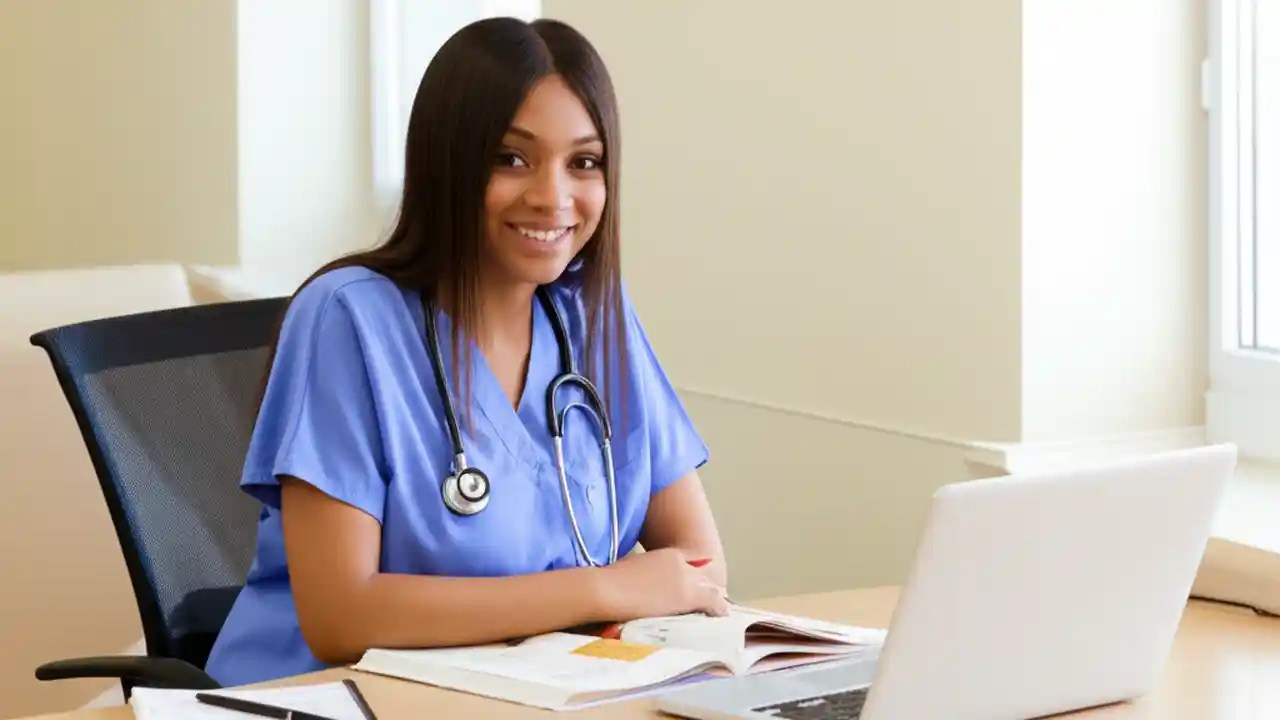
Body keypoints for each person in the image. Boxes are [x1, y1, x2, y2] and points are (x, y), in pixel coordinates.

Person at [204, 16, 728, 686]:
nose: (552, 197)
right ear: (447, 161)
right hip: (332, 699)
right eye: (511, 158)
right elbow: (342, 617)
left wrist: (616, 599)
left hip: (533, 694)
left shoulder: (595, 317)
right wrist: (603, 590)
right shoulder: (348, 319)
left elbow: (698, 566)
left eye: (584, 162)